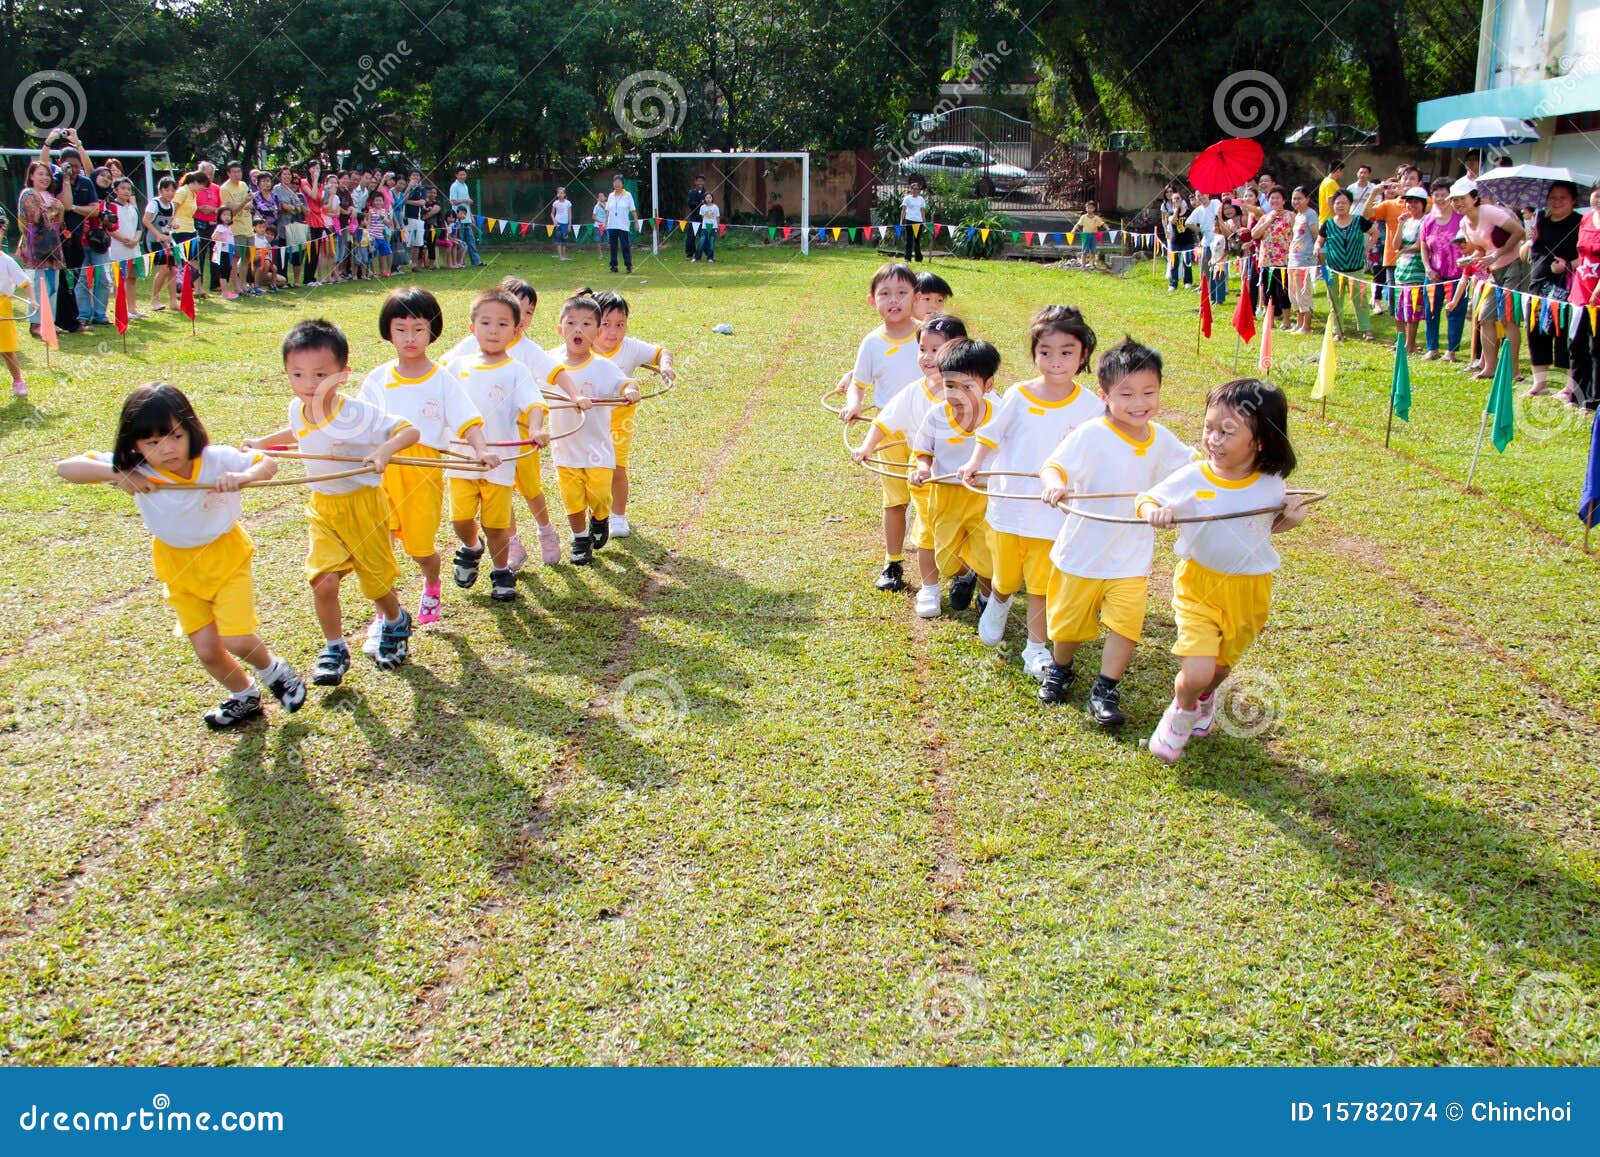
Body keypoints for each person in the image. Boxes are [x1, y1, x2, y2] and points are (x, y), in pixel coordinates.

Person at [55, 383, 307, 728]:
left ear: (191, 429)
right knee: (206, 650)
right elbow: (66, 468)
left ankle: (275, 672)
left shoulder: (215, 458)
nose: (166, 449)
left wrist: (243, 477)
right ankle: (244, 695)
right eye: (152, 442)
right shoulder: (136, 466)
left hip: (225, 556)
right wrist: (118, 473)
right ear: (135, 444)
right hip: (177, 566)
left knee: (235, 637)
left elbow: (267, 463)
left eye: (175, 436)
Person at [1138, 378, 1309, 763]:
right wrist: (1154, 511)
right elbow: (1148, 498)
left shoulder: (1270, 484)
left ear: (1261, 440)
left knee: (1217, 670)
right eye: (1208, 428)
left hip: (1250, 593)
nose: (1213, 439)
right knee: (1197, 670)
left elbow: (1283, 517)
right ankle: (1178, 716)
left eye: (1227, 431)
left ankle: (1203, 700)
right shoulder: (1195, 476)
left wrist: (1295, 515)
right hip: (1199, 585)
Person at [241, 320, 419, 680]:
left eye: (320, 374)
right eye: (297, 374)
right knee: (323, 580)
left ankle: (396, 619)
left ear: (342, 375)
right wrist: (263, 443)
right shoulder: (297, 406)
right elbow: (300, 431)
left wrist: (385, 450)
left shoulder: (356, 413)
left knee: (377, 586)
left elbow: (408, 430)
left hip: (364, 505)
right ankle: (334, 648)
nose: (309, 385)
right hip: (323, 507)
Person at [1035, 338, 1197, 722]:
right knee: (1067, 627)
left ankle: (1106, 688)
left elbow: (1194, 469)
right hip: (1081, 554)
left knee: (1126, 624)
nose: (1139, 402)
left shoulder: (1161, 439)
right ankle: (1061, 667)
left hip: (1130, 558)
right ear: (1104, 395)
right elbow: (1053, 465)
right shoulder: (1092, 434)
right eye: (1126, 394)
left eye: (1149, 392)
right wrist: (1054, 484)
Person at [959, 306, 1103, 678]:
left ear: (1083, 355)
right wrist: (976, 461)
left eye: (1066, 352)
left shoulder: (1091, 407)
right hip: (1010, 507)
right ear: (1034, 354)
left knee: (1041, 584)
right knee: (1006, 576)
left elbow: (1096, 452)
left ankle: (1035, 649)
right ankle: (1000, 601)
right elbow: (992, 434)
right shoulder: (1020, 395)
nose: (1056, 360)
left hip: (1053, 515)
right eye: (1045, 352)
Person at [356, 287, 498, 637]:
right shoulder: (378, 378)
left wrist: (480, 450)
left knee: (420, 548)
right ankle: (385, 616)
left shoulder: (441, 378)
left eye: (418, 329)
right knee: (380, 549)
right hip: (380, 472)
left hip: (423, 473)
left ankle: (432, 583)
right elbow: (358, 421)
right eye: (401, 328)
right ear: (388, 330)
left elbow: (468, 420)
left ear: (432, 331)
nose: (409, 337)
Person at [444, 277, 585, 569]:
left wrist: (575, 395)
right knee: (499, 491)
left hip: (521, 435)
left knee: (531, 488)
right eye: (514, 306)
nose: (520, 316)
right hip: (478, 438)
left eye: (528, 311)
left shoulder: (527, 350)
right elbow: (442, 370)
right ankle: (513, 543)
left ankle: (546, 530)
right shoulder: (473, 344)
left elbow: (555, 372)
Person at [850, 314, 968, 604]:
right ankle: (930, 589)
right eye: (921, 349)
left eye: (935, 350)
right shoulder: (915, 392)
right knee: (927, 530)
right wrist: (866, 446)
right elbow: (885, 421)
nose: (926, 357)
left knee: (962, 530)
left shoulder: (972, 391)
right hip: (924, 473)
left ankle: (965, 575)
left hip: (960, 478)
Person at [444, 291, 549, 602]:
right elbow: (439, 401)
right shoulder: (456, 366)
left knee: (496, 524)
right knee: (460, 519)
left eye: (503, 324)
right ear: (471, 327)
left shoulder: (517, 370)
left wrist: (535, 428)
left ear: (516, 330)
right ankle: (471, 546)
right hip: (461, 459)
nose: (493, 330)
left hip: (500, 462)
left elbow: (533, 403)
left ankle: (501, 570)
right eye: (485, 322)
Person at [839, 263, 923, 591]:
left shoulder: (928, 334)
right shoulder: (872, 343)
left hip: (931, 431)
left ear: (916, 297)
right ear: (872, 301)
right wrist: (854, 403)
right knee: (896, 499)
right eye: (885, 293)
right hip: (890, 432)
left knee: (936, 498)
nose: (894, 300)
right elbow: (858, 384)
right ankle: (893, 562)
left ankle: (959, 568)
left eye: (902, 293)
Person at [545, 293, 640, 564]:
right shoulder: (549, 363)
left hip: (598, 449)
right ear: (559, 329)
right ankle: (579, 538)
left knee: (599, 495)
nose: (578, 329)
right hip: (564, 451)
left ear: (597, 333)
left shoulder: (602, 366)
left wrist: (631, 390)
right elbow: (527, 382)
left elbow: (624, 384)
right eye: (571, 323)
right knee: (572, 501)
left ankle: (600, 519)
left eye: (586, 324)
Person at [908, 339, 999, 616]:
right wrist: (923, 468)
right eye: (950, 386)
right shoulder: (937, 416)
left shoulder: (1000, 417)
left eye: (968, 386)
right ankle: (964, 573)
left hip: (985, 497)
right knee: (946, 559)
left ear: (988, 385)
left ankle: (987, 597)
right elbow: (923, 451)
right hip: (946, 496)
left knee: (988, 558)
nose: (957, 394)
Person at [590, 290, 675, 537]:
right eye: (605, 324)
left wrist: (666, 365)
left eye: (620, 324)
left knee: (616, 468)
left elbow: (661, 353)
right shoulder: (580, 346)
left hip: (619, 422)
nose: (613, 332)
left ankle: (617, 516)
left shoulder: (630, 348)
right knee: (592, 471)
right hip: (589, 422)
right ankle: (596, 515)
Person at [1452, 177, 1528, 381]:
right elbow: (1481, 248)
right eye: (1454, 200)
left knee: (1508, 318)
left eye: (1461, 198)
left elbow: (1519, 232)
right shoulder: (1464, 223)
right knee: (1485, 316)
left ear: (1474, 198)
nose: (1458, 203)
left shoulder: (1490, 212)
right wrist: (1470, 259)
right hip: (1495, 270)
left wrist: (1496, 254)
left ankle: (1514, 371)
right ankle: (1490, 367)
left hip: (1515, 266)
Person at [1524, 180, 1582, 398]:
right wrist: (1530, 240)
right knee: (1535, 331)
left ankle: (1569, 385)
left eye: (1562, 198)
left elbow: (1586, 255)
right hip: (1538, 283)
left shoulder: (1579, 222)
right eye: (1553, 197)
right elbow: (1530, 253)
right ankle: (1540, 383)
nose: (1556, 202)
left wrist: (1567, 265)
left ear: (1573, 200)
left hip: (1565, 286)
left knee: (1564, 333)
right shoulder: (1541, 220)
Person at [16, 155, 66, 341]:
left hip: (53, 248)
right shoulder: (28, 194)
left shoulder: (50, 197)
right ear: (31, 177)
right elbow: (37, 219)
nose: (45, 178)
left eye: (48, 175)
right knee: (39, 284)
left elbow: (59, 226)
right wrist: (55, 209)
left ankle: (50, 322)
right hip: (36, 249)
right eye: (41, 174)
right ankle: (36, 323)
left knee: (54, 285)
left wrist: (59, 210)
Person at [1419, 178, 1467, 361]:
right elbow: (1423, 246)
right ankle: (1432, 348)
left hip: (1457, 274)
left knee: (1455, 311)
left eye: (1444, 195)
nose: (1440, 198)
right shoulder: (1428, 220)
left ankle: (1451, 351)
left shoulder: (1460, 219)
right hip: (1434, 273)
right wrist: (1427, 268)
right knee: (1431, 310)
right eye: (1436, 194)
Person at [1316, 188, 1374, 340]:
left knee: (1360, 300)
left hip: (1356, 269)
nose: (1340, 205)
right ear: (1333, 205)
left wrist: (1368, 248)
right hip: (1335, 269)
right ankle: (1338, 331)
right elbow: (1319, 240)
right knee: (1335, 302)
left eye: (1344, 203)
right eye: (1337, 203)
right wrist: (1317, 247)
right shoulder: (1327, 224)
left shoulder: (1359, 221)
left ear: (1350, 204)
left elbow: (1375, 232)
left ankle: (1366, 329)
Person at [1392, 186, 1432, 353]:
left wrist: (1402, 251)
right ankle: (1400, 340)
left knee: (1412, 308)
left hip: (1416, 269)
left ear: (1423, 204)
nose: (1412, 205)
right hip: (1401, 269)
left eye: (1416, 202)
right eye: (1409, 202)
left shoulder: (1425, 221)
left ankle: (1410, 344)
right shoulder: (1407, 221)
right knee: (1398, 308)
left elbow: (1418, 246)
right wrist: (1400, 225)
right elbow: (1395, 244)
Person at [1249, 186, 1293, 320]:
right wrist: (1269, 220)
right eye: (1272, 198)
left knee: (1283, 291)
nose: (1274, 200)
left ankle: (1286, 319)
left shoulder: (1290, 216)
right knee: (1268, 292)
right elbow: (1254, 234)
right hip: (1267, 259)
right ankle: (1270, 319)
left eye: (1277, 198)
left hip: (1283, 260)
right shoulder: (1265, 217)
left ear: (1284, 200)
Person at [142, 176, 180, 314]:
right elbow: (146, 220)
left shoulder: (171, 206)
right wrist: (157, 235)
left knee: (173, 270)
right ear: (160, 190)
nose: (170, 193)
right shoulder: (154, 204)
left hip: (166, 241)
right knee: (163, 269)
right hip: (153, 240)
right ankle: (154, 299)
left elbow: (168, 223)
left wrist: (173, 225)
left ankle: (173, 301)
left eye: (172, 190)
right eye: (166, 190)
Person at [1286, 187, 1319, 333]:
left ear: (1307, 199)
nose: (1296, 201)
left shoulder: (1310, 214)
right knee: (1293, 292)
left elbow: (1316, 235)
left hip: (1305, 259)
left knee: (1303, 291)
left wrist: (1317, 255)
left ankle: (1306, 325)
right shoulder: (1297, 216)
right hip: (1293, 258)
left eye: (1299, 198)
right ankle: (1298, 322)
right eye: (1294, 198)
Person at [0, 245, 30, 395]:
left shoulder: (7, 261)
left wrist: (34, 299)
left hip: (2, 306)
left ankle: (18, 380)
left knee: (6, 349)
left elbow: (24, 281)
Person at [605, 175, 638, 274]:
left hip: (623, 225)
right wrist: (606, 221)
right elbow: (607, 210)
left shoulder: (628, 195)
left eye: (619, 182)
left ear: (622, 183)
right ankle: (613, 266)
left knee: (625, 246)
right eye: (615, 182)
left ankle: (628, 266)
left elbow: (633, 210)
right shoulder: (611, 195)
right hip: (612, 225)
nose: (617, 184)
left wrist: (636, 222)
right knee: (613, 246)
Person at [1166, 189, 1196, 290]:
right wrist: (1176, 210)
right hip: (1175, 241)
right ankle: (1173, 283)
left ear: (1182, 199)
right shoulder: (1171, 212)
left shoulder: (1189, 212)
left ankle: (1188, 281)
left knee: (1187, 261)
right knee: (1174, 262)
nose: (1176, 200)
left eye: (1178, 198)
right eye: (1174, 199)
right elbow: (1173, 221)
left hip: (1187, 240)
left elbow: (1194, 225)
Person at [900, 177, 928, 262]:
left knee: (917, 240)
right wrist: (901, 222)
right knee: (909, 240)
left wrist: (924, 223)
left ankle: (918, 258)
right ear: (911, 189)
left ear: (919, 190)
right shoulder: (907, 198)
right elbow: (903, 210)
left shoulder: (921, 199)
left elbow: (923, 212)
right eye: (914, 189)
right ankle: (907, 258)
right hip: (909, 220)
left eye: (917, 189)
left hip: (918, 221)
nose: (916, 190)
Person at [684, 174, 707, 261]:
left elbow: (710, 203)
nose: (700, 183)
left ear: (704, 182)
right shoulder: (692, 192)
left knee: (704, 237)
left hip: (703, 219)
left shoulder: (707, 193)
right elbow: (690, 204)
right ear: (695, 182)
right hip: (693, 218)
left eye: (702, 181)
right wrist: (699, 203)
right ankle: (689, 254)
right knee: (690, 237)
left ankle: (708, 254)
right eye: (698, 181)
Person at [1317, 156, 1345, 224]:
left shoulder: (1325, 181)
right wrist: (1337, 216)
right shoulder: (1331, 183)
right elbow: (1330, 201)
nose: (1342, 174)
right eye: (1342, 171)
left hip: (1324, 219)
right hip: (1329, 220)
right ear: (1338, 170)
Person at [697, 190, 720, 262]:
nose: (708, 199)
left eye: (710, 197)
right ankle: (697, 257)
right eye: (707, 198)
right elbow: (702, 217)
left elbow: (717, 217)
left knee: (711, 242)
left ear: (712, 198)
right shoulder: (702, 207)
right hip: (705, 227)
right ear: (704, 199)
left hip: (713, 227)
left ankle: (710, 258)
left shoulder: (715, 207)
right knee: (702, 241)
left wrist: (717, 226)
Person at [551, 186, 571, 262]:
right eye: (559, 193)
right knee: (559, 241)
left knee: (564, 241)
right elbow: (552, 213)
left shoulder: (568, 203)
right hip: (558, 224)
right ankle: (560, 257)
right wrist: (554, 220)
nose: (561, 194)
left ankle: (564, 256)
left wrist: (569, 224)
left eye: (562, 193)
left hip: (565, 224)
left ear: (564, 194)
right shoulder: (555, 203)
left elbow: (570, 214)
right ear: (557, 194)